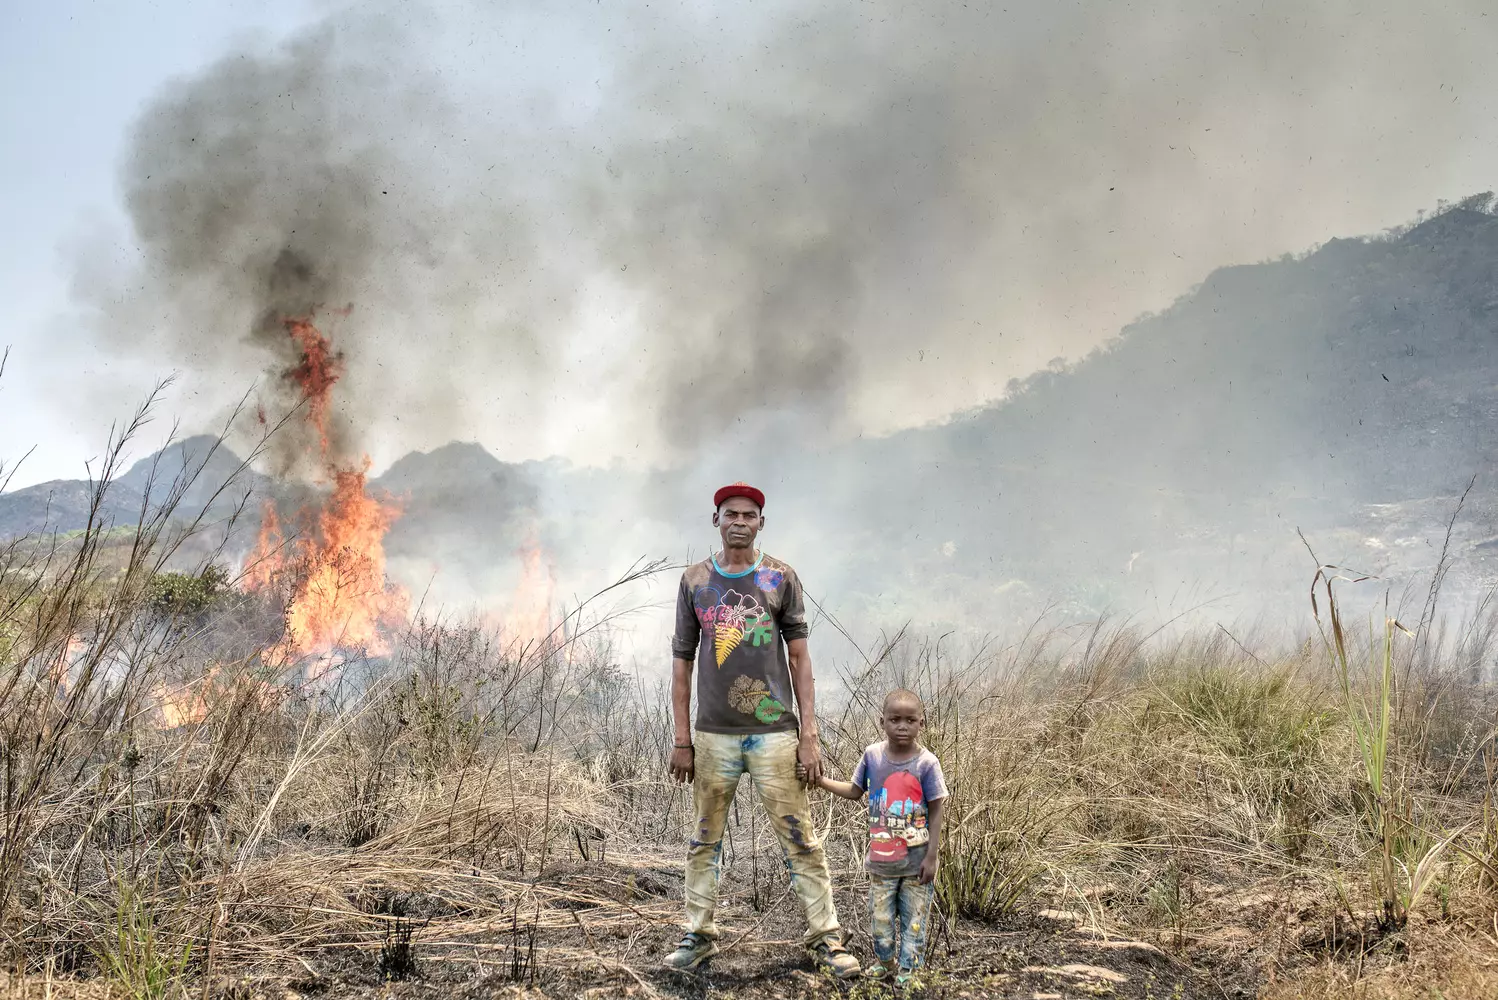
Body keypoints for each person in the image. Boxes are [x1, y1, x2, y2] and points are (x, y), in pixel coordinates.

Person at [662, 482, 861, 979]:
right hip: (712, 736)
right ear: (716, 520)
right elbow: (682, 663)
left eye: (749, 515)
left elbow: (799, 658)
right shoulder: (694, 581)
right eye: (731, 513)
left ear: (760, 524)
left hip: (775, 733)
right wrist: (682, 739)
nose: (739, 522)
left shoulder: (781, 578)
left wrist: (808, 734)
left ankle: (826, 940)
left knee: (801, 839)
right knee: (705, 839)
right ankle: (698, 935)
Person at [806, 689, 948, 986]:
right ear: (881, 721)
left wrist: (933, 855)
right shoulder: (872, 756)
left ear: (921, 723)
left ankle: (909, 972)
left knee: (914, 924)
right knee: (881, 923)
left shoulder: (927, 764)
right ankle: (885, 963)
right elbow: (855, 791)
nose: (902, 726)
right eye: (894, 719)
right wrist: (820, 781)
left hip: (917, 866)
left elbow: (936, 810)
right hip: (882, 865)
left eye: (910, 720)